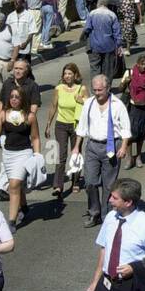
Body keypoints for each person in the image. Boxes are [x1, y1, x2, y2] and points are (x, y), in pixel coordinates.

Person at [73, 75, 132, 226]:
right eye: (95, 90)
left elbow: (126, 129)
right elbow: (82, 127)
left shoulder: (117, 105)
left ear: (107, 88)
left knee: (108, 184)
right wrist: (76, 147)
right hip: (92, 146)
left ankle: (106, 216)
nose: (97, 93)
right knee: (90, 182)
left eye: (100, 90)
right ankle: (94, 212)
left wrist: (124, 147)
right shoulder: (89, 104)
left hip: (112, 147)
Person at [0, 85, 41, 232]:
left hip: (24, 153)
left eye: (17, 97)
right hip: (8, 154)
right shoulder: (4, 113)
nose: (14, 100)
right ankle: (24, 207)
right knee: (17, 184)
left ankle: (11, 221)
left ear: (22, 99)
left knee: (14, 185)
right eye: (12, 97)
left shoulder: (30, 116)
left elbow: (35, 138)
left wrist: (37, 155)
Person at [45, 63, 87, 198]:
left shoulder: (82, 89)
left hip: (76, 125)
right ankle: (58, 185)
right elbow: (53, 106)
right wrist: (48, 124)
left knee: (76, 153)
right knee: (60, 155)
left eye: (70, 73)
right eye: (65, 74)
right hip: (61, 125)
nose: (67, 76)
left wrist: (82, 100)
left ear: (75, 75)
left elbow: (91, 106)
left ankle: (75, 181)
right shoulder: (59, 89)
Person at [121, 54, 145, 170]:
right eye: (142, 64)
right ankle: (129, 158)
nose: (144, 67)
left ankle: (139, 156)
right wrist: (126, 81)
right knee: (130, 133)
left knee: (141, 133)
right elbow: (120, 88)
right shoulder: (130, 73)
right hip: (132, 107)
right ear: (137, 63)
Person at [84, 0, 122, 85]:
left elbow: (87, 28)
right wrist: (119, 46)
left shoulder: (92, 14)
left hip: (94, 46)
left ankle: (95, 89)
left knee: (95, 69)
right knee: (107, 70)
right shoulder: (112, 15)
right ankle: (106, 88)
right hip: (109, 46)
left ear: (99, 0)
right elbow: (117, 33)